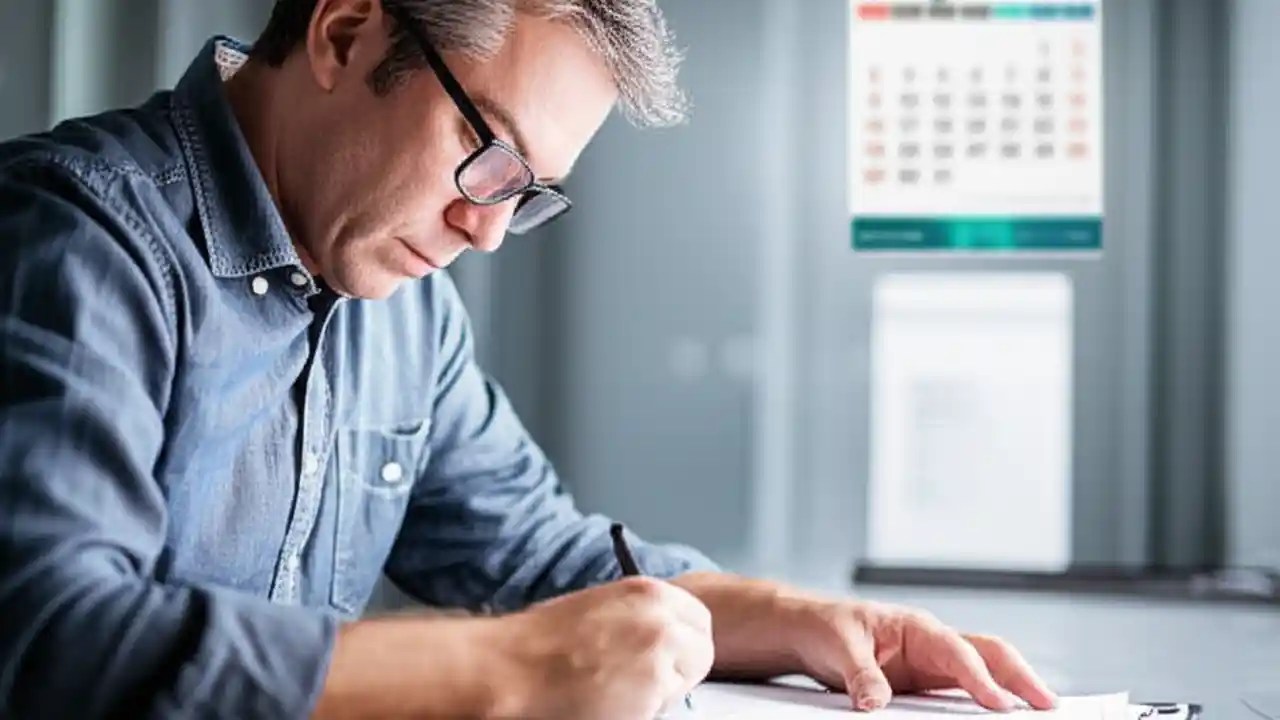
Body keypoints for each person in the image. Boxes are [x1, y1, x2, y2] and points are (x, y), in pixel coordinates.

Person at [0, 1, 1060, 717]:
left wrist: (803, 621)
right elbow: (53, 643)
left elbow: (544, 562)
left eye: (528, 191)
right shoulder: (74, 242)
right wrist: (500, 669)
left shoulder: (405, 317)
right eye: (489, 157)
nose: (487, 228)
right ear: (347, 33)